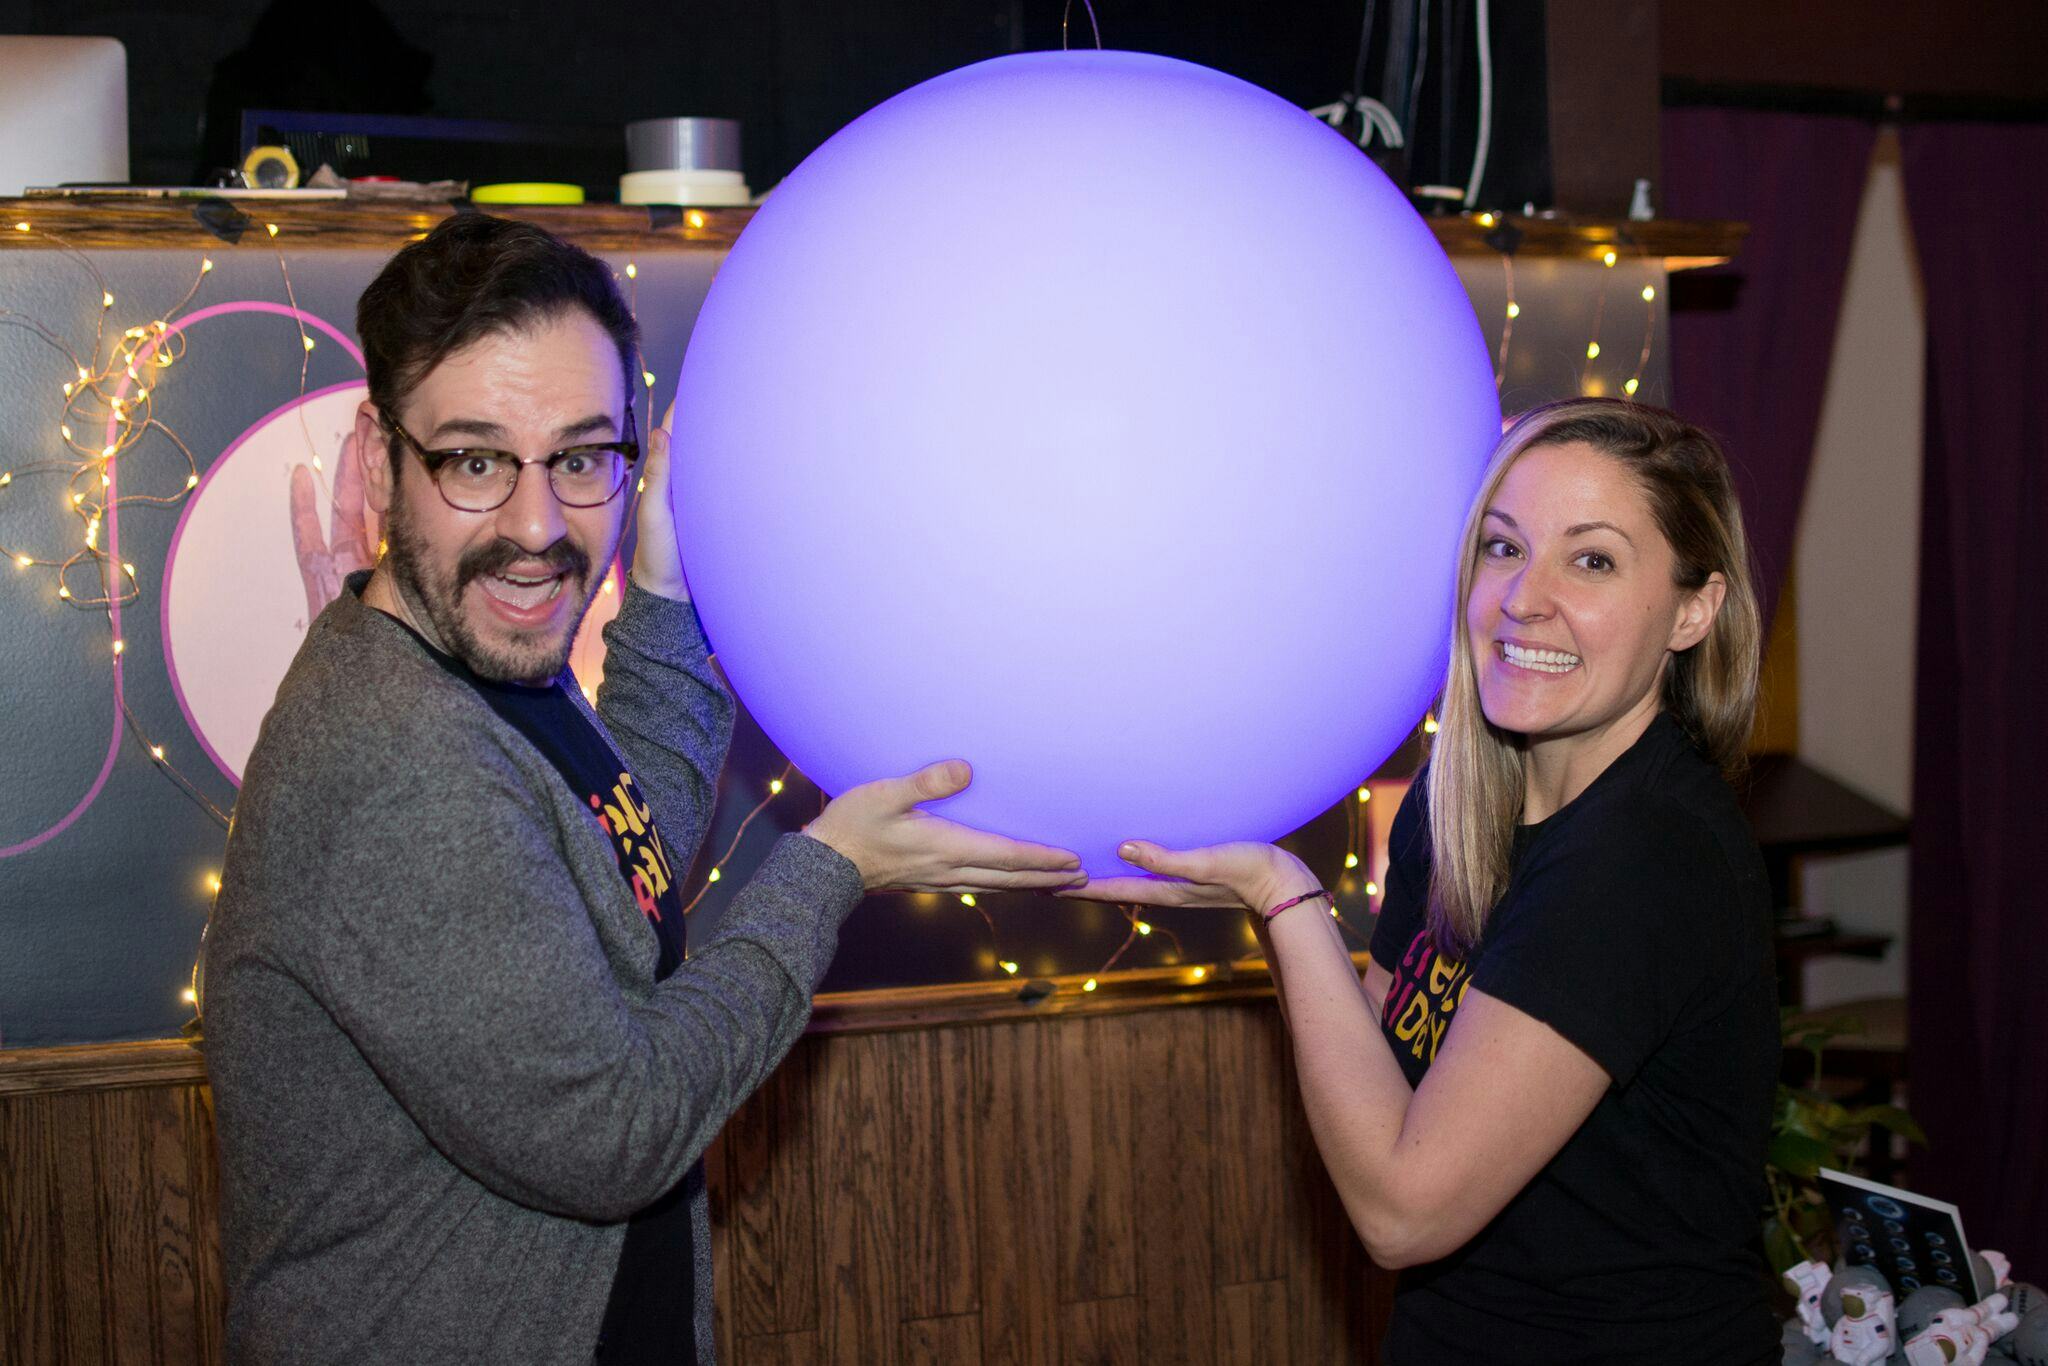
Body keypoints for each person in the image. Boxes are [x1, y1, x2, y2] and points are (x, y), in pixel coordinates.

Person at [199, 213, 1086, 1365]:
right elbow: (614, 1134)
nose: (536, 527)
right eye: (474, 461)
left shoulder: (469, 664)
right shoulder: (399, 763)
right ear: (378, 462)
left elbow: (622, 880)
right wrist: (829, 872)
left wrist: (658, 593)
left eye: (578, 458)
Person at [1071, 398, 1780, 1363]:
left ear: (1693, 610)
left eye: (1594, 559)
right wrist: (1264, 899)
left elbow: (1404, 1211)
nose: (1525, 598)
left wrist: (1285, 899)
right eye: (1503, 547)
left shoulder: (1647, 853)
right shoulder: (1458, 810)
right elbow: (1382, 1085)